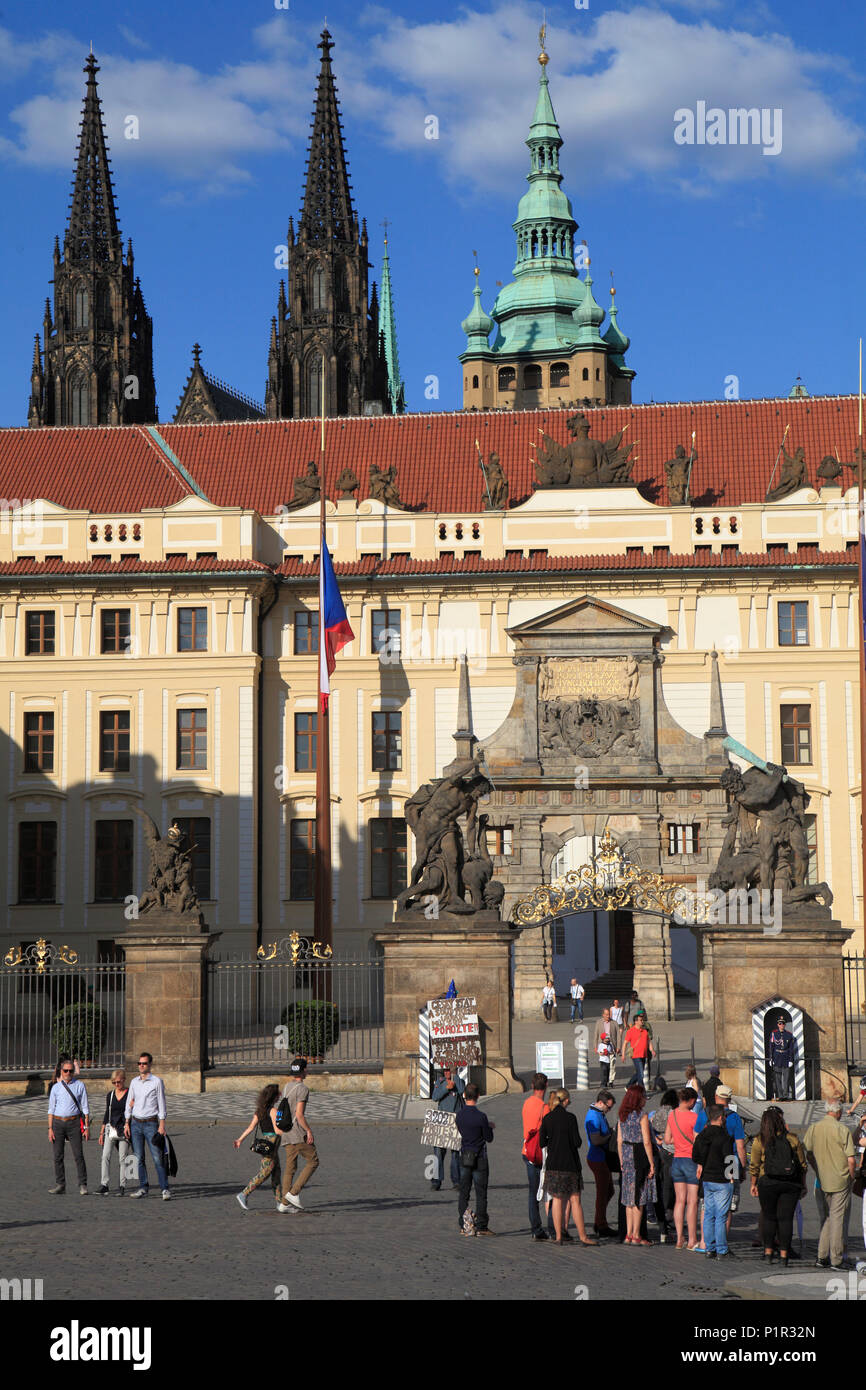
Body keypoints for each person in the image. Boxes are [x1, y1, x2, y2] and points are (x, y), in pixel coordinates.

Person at [749, 1105, 807, 1267]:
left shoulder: (759, 1140)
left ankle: (768, 1253)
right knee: (786, 1219)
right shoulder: (793, 1139)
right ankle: (784, 1255)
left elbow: (754, 1165)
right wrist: (803, 1186)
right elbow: (802, 1165)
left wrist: (753, 1183)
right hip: (790, 1183)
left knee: (769, 1217)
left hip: (767, 1182)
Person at [539, 1089, 598, 1246]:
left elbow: (541, 1143)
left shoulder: (547, 1118)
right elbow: (577, 1142)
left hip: (553, 1165)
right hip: (570, 1164)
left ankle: (558, 1236)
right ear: (565, 1101)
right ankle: (583, 1236)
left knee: (557, 1199)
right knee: (575, 1200)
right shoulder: (570, 1118)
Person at [803, 1099, 856, 1269]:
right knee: (837, 1218)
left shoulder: (814, 1128)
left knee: (826, 1218)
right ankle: (836, 1258)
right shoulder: (842, 1129)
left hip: (822, 1179)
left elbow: (808, 1153)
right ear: (839, 1112)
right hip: (840, 1179)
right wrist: (852, 1177)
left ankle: (821, 1256)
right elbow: (851, 1160)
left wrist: (817, 1169)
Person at [693, 1083, 746, 1243]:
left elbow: (696, 1139)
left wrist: (699, 1164)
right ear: (729, 1099)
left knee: (706, 1206)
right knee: (728, 1206)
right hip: (731, 1163)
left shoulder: (704, 1114)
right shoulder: (734, 1117)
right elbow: (740, 1146)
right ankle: (721, 1242)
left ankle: (704, 1241)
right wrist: (742, 1168)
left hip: (708, 1162)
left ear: (715, 1097)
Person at [693, 1104, 737, 1259]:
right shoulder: (724, 1137)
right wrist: (733, 1176)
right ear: (720, 1118)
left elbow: (695, 1156)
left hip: (707, 1179)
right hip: (722, 1180)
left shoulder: (702, 1135)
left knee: (709, 1215)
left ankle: (709, 1248)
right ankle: (722, 1250)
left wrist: (701, 1166)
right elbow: (729, 1159)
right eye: (724, 1117)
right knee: (721, 1216)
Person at [124, 1052, 170, 1200]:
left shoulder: (157, 1081)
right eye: (139, 1063)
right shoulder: (134, 1082)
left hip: (151, 1123)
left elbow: (162, 1104)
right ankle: (143, 1187)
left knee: (157, 1157)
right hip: (136, 1123)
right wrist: (127, 1122)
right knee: (139, 1157)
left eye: (144, 1063)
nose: (141, 1066)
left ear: (150, 1065)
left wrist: (161, 1124)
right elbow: (129, 1103)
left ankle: (164, 1188)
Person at [276, 1057, 318, 1211]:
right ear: (304, 1070)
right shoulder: (303, 1089)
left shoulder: (287, 1086)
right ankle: (294, 1193)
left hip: (286, 1132)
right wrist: (308, 1130)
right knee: (313, 1161)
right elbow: (299, 1115)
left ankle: (284, 1204)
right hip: (297, 1132)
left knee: (290, 1167)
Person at [617, 1084, 656, 1245]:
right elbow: (647, 1141)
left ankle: (628, 1233)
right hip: (639, 1155)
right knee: (639, 1195)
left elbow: (619, 1140)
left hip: (626, 1155)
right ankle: (637, 1234)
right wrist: (652, 1163)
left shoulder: (622, 1115)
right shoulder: (642, 1116)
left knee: (628, 1197)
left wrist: (621, 1159)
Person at [234, 1084, 282, 1210]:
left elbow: (251, 1127)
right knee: (265, 1173)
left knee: (276, 1173)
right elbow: (278, 1131)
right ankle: (243, 1194)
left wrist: (240, 1139)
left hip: (265, 1142)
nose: (280, 1095)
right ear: (274, 1097)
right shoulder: (274, 1111)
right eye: (278, 1094)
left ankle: (280, 1202)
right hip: (272, 1143)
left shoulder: (259, 1110)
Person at [455, 1083, 494, 1236]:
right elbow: (488, 1138)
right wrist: (489, 1127)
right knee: (481, 1193)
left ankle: (463, 1224)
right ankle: (482, 1225)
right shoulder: (481, 1116)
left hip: (465, 1155)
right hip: (479, 1158)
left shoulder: (460, 1115)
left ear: (465, 1095)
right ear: (478, 1096)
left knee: (464, 1192)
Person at [47, 1057, 90, 1195]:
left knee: (78, 1155)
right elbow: (51, 1109)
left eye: (71, 1071)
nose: (68, 1073)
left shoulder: (80, 1085)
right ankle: (60, 1184)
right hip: (58, 1123)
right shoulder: (55, 1087)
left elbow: (85, 1107)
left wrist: (87, 1128)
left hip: (74, 1122)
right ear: (61, 1071)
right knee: (58, 1156)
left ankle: (83, 1184)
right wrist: (50, 1128)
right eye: (65, 1071)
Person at [664, 1088, 700, 1249]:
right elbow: (698, 1142)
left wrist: (678, 1141)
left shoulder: (672, 1115)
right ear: (691, 1100)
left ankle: (680, 1238)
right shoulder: (695, 1117)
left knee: (679, 1200)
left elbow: (667, 1139)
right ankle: (692, 1240)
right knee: (692, 1202)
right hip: (691, 1160)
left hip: (677, 1160)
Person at [585, 1089, 617, 1237]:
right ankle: (601, 1224)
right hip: (596, 1158)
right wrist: (611, 1135)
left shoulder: (599, 1113)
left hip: (602, 1158)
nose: (609, 1110)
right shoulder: (593, 1116)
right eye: (608, 1107)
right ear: (600, 1103)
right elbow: (596, 1140)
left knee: (609, 1191)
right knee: (602, 1192)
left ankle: (599, 1219)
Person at [522, 1072, 550, 1241]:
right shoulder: (544, 1107)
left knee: (533, 1192)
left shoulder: (526, 1103)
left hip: (527, 1151)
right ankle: (545, 1226)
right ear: (546, 1086)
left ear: (532, 1086)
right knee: (544, 1190)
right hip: (539, 1152)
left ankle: (535, 1226)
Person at [648, 1087, 678, 1242]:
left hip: (658, 1153)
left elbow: (651, 1129)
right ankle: (668, 1215)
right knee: (669, 1185)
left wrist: (657, 1140)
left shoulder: (656, 1113)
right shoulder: (674, 1114)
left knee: (660, 1184)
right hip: (671, 1152)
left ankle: (654, 1214)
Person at [430, 1067, 465, 1191]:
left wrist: (455, 1077)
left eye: (449, 1070)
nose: (446, 1073)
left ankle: (456, 1181)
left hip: (456, 1119)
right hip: (442, 1120)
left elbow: (461, 1090)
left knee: (455, 1153)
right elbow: (435, 1097)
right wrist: (446, 1088)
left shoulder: (458, 1080)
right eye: (445, 1071)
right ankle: (436, 1181)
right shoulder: (440, 1082)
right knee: (438, 1152)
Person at [97, 1067, 130, 1195]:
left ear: (124, 1080)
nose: (117, 1085)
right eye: (114, 1082)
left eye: (119, 1082)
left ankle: (122, 1185)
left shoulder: (129, 1094)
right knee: (105, 1156)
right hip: (111, 1129)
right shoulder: (110, 1095)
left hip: (124, 1129)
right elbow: (107, 1113)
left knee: (123, 1158)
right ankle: (104, 1184)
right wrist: (101, 1132)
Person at [621, 1014, 656, 1089]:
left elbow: (649, 1042)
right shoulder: (630, 1031)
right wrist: (623, 1055)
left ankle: (628, 1086)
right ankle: (642, 1093)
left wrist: (652, 1050)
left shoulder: (645, 1031)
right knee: (641, 1075)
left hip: (644, 1055)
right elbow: (625, 1043)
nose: (642, 1021)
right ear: (636, 1021)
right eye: (641, 1020)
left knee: (639, 1073)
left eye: (642, 1020)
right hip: (636, 1056)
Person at [768, 1016, 795, 1101]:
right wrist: (771, 1058)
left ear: (785, 1025)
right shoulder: (774, 1034)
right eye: (780, 1023)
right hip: (777, 1057)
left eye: (783, 1023)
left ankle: (785, 1095)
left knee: (786, 1078)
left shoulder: (789, 1035)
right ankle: (780, 1095)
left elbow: (791, 1048)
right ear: (778, 1025)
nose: (781, 1025)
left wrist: (790, 1060)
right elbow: (771, 1047)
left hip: (786, 1057)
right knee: (777, 1078)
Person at [595, 1007, 620, 1086]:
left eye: (609, 1014)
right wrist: (595, 1047)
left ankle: (611, 1081)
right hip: (602, 1046)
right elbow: (596, 1035)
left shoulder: (614, 1023)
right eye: (606, 1014)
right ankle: (604, 1081)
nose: (608, 1016)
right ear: (603, 1015)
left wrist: (618, 1046)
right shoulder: (598, 1022)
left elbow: (618, 1036)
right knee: (603, 1066)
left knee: (612, 1065)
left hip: (611, 1046)